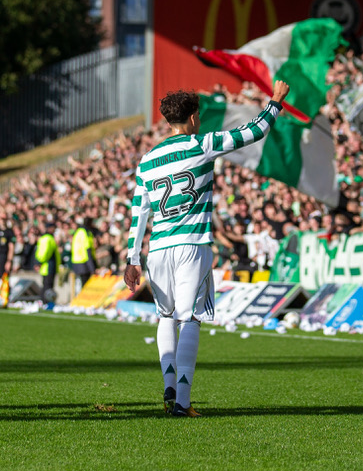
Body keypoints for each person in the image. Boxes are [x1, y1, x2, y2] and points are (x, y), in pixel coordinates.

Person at [124, 79, 289, 417]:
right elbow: (254, 132)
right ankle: (182, 402)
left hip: (158, 249)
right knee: (190, 318)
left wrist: (131, 258)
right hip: (192, 244)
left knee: (165, 316)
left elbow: (138, 212)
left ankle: (169, 385)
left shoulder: (147, 160)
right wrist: (275, 101)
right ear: (193, 118)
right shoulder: (202, 144)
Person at [35, 226, 59, 306]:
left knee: (46, 285)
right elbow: (46, 252)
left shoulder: (44, 238)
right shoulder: (48, 239)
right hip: (48, 266)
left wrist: (38, 262)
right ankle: (46, 302)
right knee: (48, 286)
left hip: (45, 266)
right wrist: (40, 262)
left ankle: (44, 301)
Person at [69, 221, 95, 294]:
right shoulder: (84, 233)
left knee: (80, 284)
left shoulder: (77, 232)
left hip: (76, 261)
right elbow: (87, 249)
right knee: (85, 285)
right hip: (84, 262)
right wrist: (92, 267)